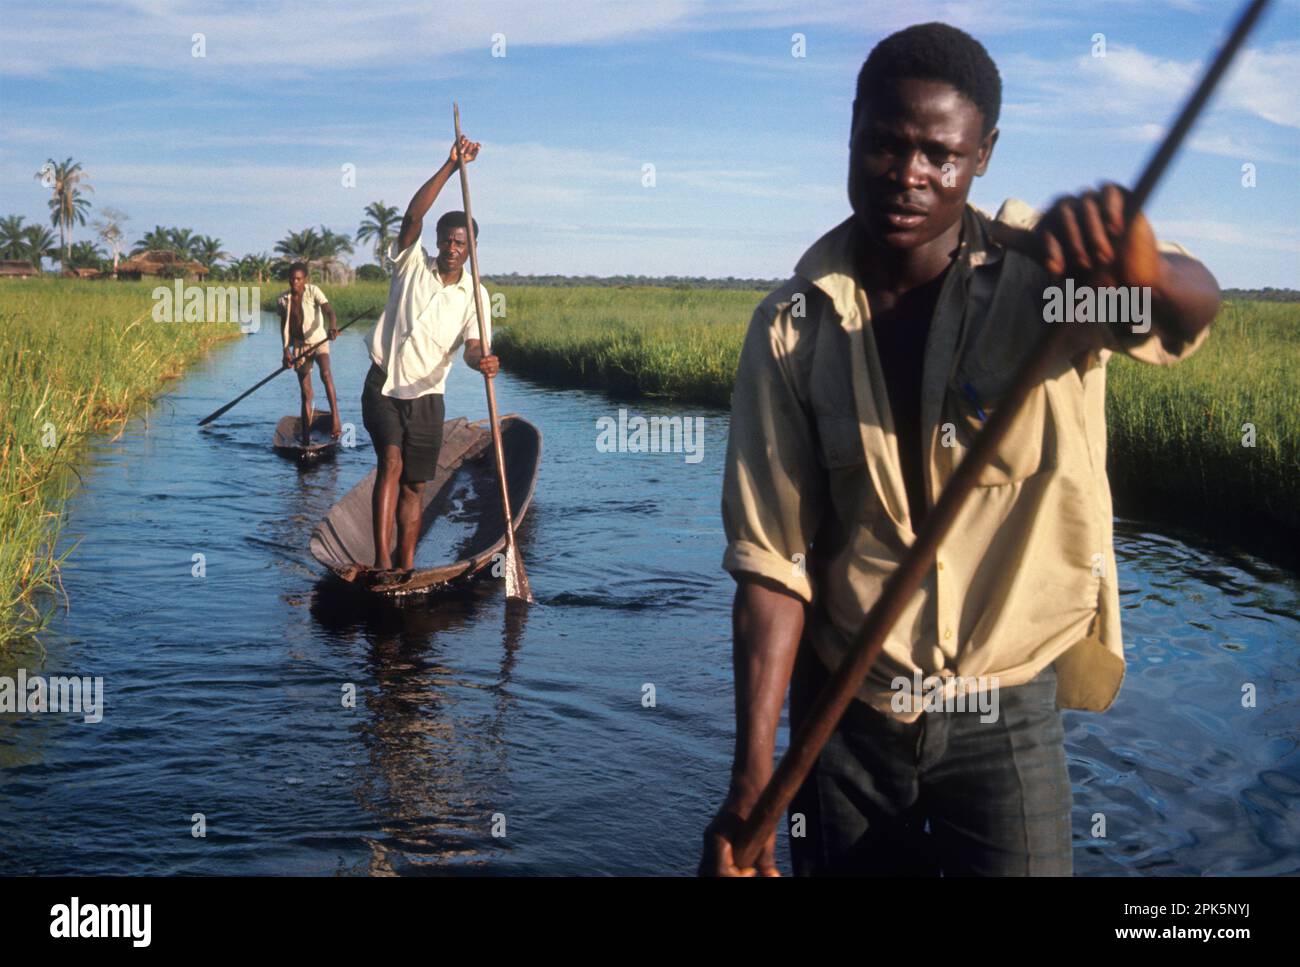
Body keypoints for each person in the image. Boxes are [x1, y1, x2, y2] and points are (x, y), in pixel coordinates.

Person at [701, 22, 1220, 877]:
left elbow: (1185, 315)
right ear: (853, 133)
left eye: (940, 155)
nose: (909, 176)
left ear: (983, 155)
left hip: (1004, 703)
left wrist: (1148, 269)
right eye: (885, 145)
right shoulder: (791, 328)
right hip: (845, 712)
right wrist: (754, 776)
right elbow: (772, 561)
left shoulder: (1048, 290)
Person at [360, 134, 499, 586]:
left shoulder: (474, 295)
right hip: (384, 383)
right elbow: (413, 214)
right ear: (437, 240)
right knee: (391, 464)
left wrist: (483, 361)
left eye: (462, 243)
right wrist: (450, 165)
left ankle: (406, 566)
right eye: (448, 239)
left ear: (472, 248)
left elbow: (473, 346)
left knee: (416, 485)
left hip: (427, 395)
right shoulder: (411, 263)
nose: (453, 248)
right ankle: (382, 563)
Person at [276, 263, 341, 443]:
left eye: (298, 279)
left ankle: (335, 418)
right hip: (300, 347)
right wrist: (285, 351)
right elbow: (284, 326)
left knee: (326, 373)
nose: (294, 282)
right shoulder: (283, 300)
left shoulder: (313, 291)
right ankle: (305, 438)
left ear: (305, 280)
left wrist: (332, 327)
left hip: (319, 341)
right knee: (306, 393)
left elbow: (330, 311)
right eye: (292, 278)